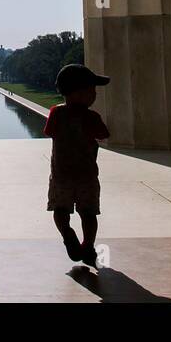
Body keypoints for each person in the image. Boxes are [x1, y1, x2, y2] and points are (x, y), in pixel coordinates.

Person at [43, 63, 110, 268]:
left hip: (61, 174)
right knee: (88, 212)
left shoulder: (56, 113)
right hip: (87, 176)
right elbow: (103, 134)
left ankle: (67, 234)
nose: (94, 94)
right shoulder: (91, 117)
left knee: (60, 209)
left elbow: (50, 132)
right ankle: (88, 245)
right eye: (92, 90)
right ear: (78, 93)